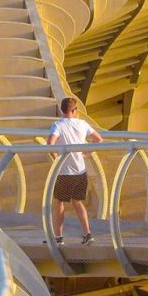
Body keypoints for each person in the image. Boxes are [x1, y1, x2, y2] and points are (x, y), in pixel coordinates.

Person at [45, 95, 102, 245]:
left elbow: (50, 143)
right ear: (74, 110)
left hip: (65, 171)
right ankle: (87, 234)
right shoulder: (82, 124)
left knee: (59, 202)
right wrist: (87, 154)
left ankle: (58, 237)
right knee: (77, 202)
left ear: (62, 110)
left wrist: (57, 157)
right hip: (80, 170)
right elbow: (99, 140)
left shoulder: (58, 125)